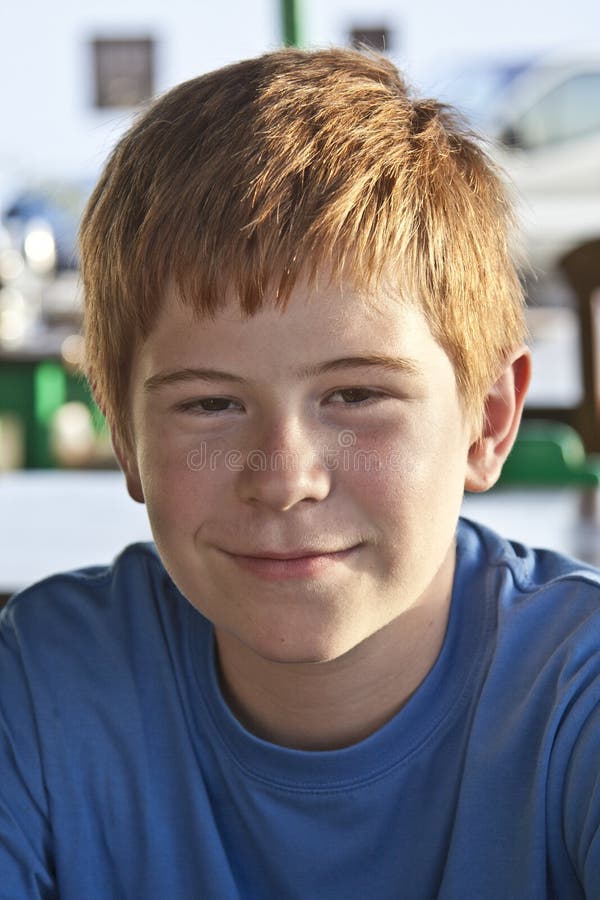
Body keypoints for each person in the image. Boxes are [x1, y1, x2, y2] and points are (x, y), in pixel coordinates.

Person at [1, 47, 599, 900]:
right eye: (210, 405)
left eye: (355, 394)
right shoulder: (42, 691)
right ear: (124, 437)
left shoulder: (576, 697)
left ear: (489, 419)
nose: (283, 479)